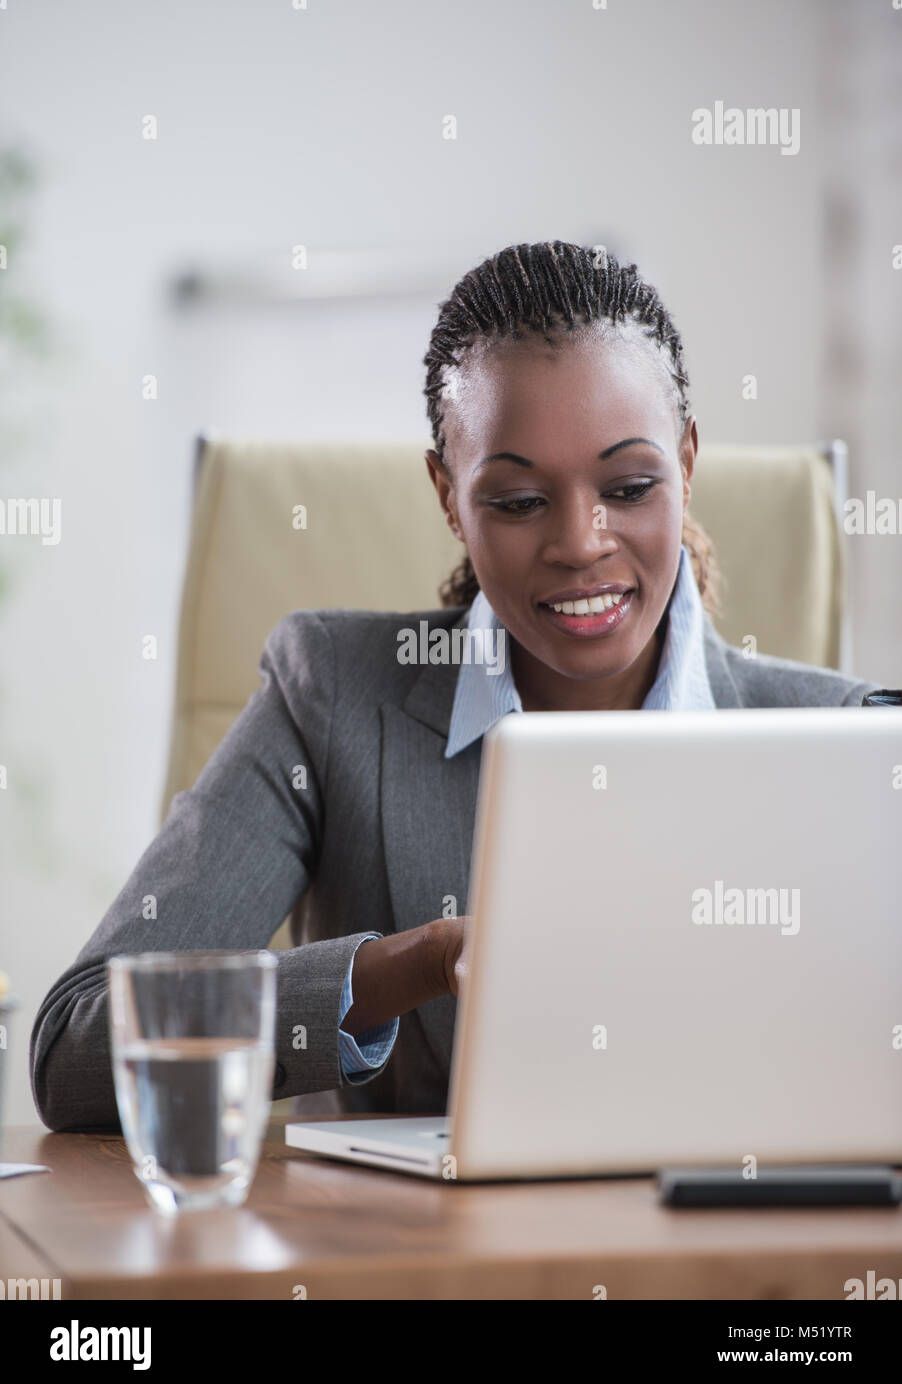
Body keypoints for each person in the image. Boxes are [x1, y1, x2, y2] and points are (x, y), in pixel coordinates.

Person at [29, 241, 880, 1132]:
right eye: (518, 501)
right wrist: (418, 964)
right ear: (447, 495)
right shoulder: (331, 698)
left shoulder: (850, 739)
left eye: (628, 486)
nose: (581, 541)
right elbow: (77, 1050)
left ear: (689, 463)